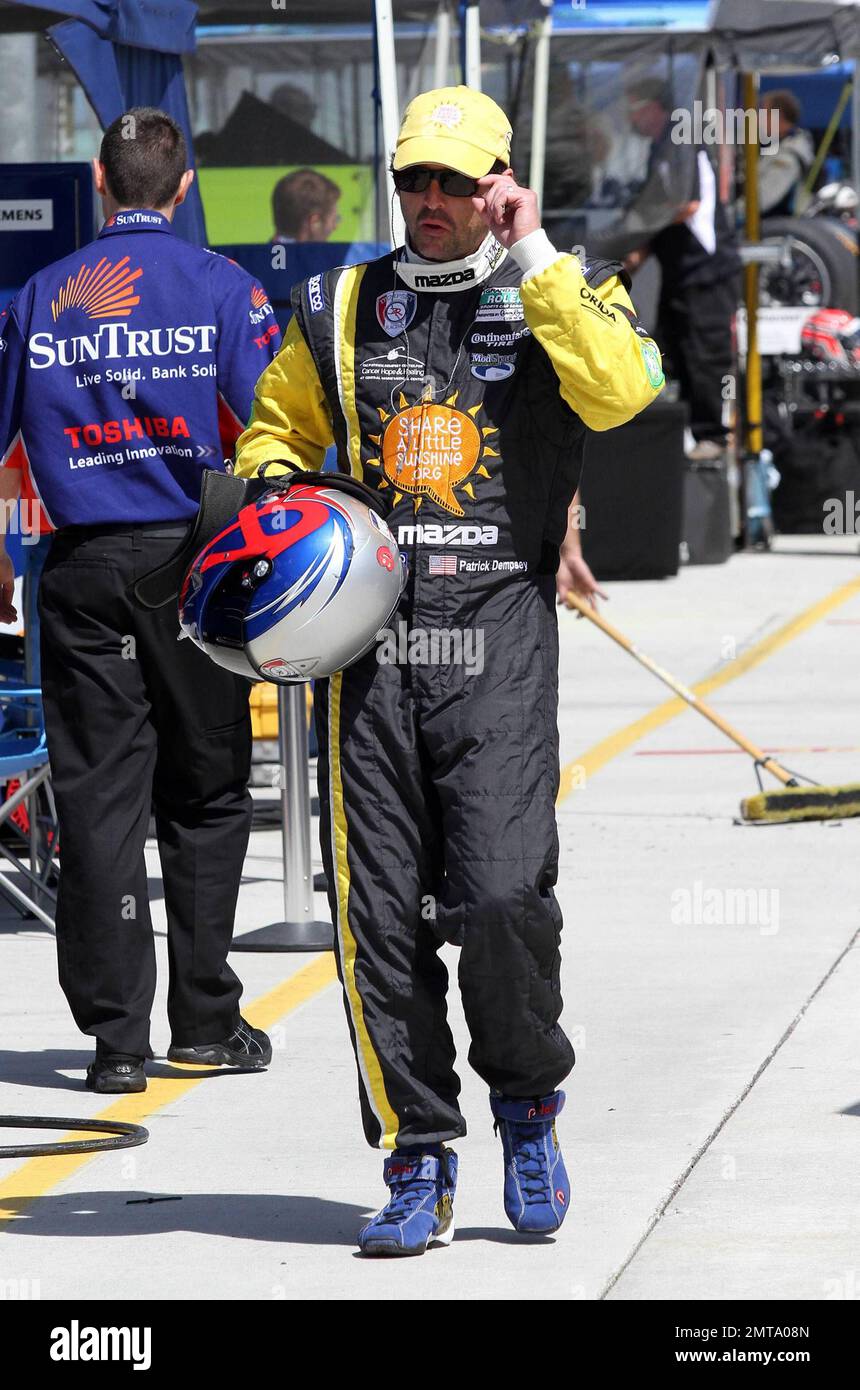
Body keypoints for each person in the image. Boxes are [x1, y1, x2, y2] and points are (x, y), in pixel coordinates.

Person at [235, 85, 662, 1254]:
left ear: (498, 184)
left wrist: (530, 251)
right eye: (412, 180)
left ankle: (527, 1108)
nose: (427, 202)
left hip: (498, 642)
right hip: (364, 652)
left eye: (454, 183)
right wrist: (283, 496)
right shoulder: (336, 302)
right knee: (377, 922)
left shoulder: (552, 291)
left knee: (501, 895)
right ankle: (416, 1155)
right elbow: (273, 428)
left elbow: (626, 391)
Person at [0, 107, 280, 1094]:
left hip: (78, 569)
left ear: (97, 179)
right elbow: (276, 430)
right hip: (194, 566)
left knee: (98, 804)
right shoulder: (221, 288)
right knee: (203, 793)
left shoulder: (35, 297)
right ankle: (204, 1021)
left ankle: (117, 1041)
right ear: (187, 184)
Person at [623, 79, 740, 459]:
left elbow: (684, 205)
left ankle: (714, 436)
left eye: (635, 107)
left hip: (705, 273)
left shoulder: (681, 142)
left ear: (654, 107)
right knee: (670, 351)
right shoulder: (661, 148)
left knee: (706, 353)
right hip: (681, 274)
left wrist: (638, 232)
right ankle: (678, 435)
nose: (630, 117)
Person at [760, 91, 814, 217]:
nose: (758, 119)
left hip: (777, 229)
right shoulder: (779, 146)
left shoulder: (788, 156)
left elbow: (763, 199)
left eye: (763, 113)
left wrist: (731, 213)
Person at [271, 168, 342, 244]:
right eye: (335, 220)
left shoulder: (261, 254)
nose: (335, 227)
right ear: (315, 222)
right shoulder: (333, 255)